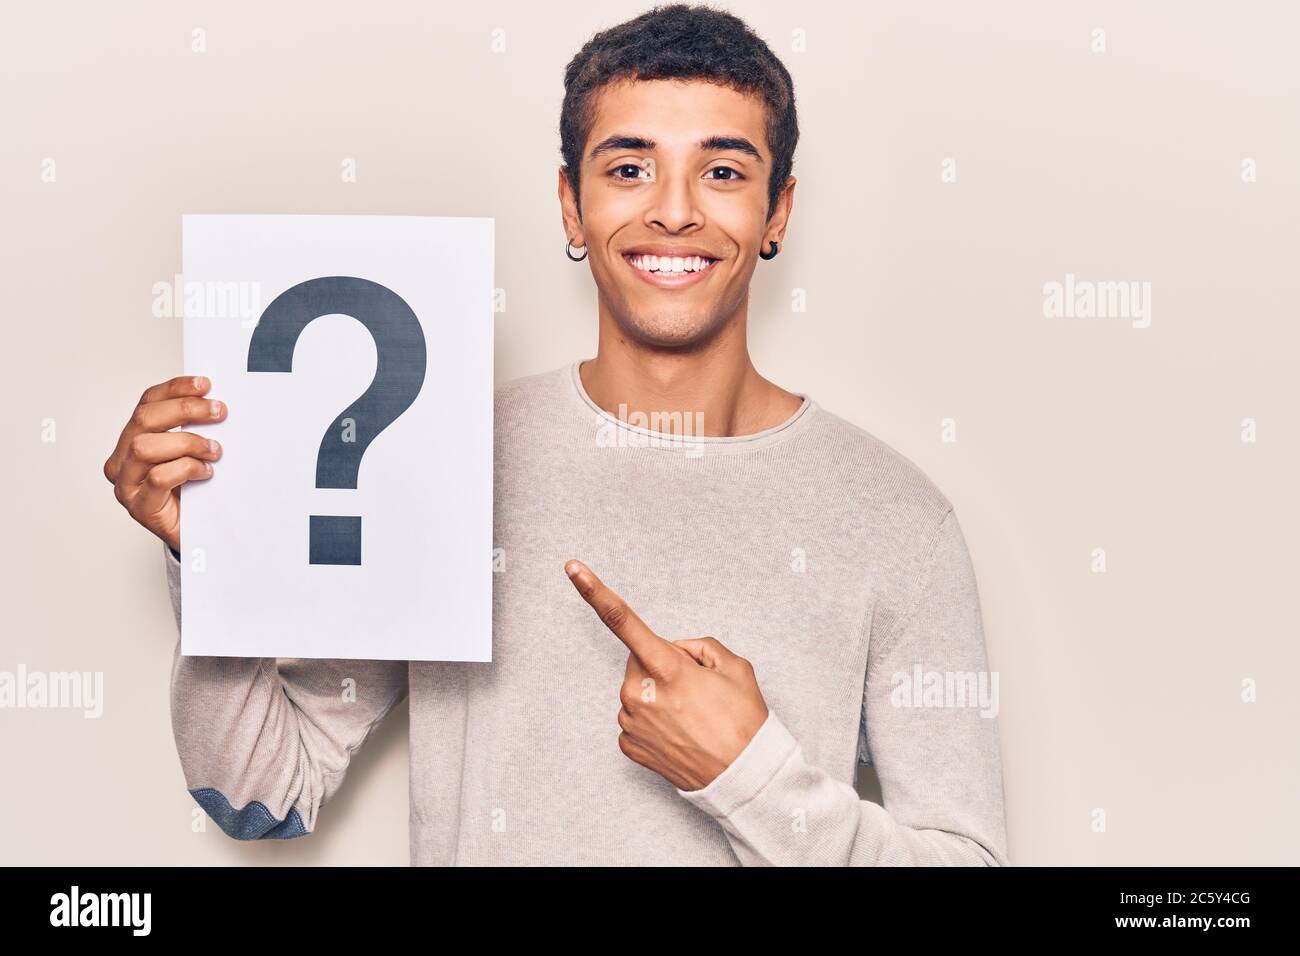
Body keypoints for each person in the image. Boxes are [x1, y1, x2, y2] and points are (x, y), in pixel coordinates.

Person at [103, 3, 1008, 865]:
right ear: (572, 206)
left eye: (724, 171)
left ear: (778, 210)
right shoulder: (445, 454)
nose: (675, 210)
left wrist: (747, 773)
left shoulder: (897, 519)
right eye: (629, 168)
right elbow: (260, 797)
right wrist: (216, 558)